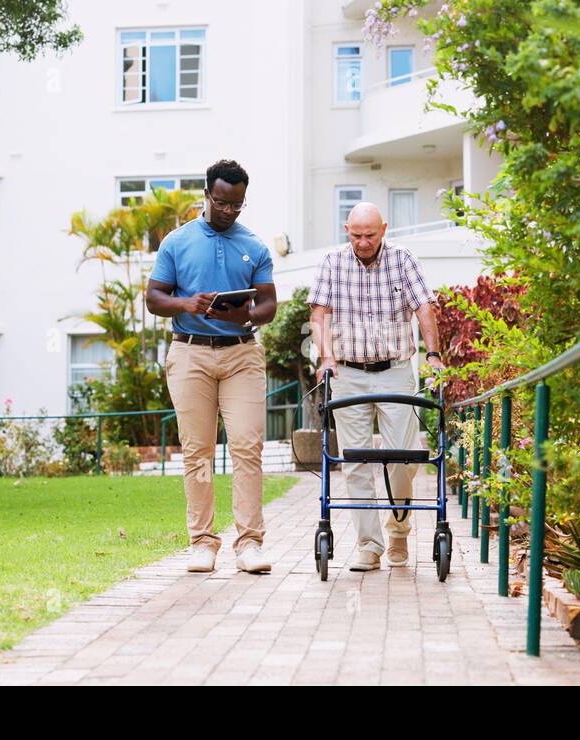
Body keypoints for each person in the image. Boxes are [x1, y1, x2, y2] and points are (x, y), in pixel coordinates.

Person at [146, 159, 277, 573]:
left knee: (247, 446)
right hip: (189, 352)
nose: (228, 212)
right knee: (197, 450)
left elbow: (269, 303)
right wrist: (186, 303)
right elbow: (153, 298)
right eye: (221, 203)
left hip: (241, 353)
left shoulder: (254, 246)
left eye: (236, 205)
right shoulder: (176, 242)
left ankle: (250, 543)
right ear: (206, 195)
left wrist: (248, 316)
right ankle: (203, 542)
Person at [307, 202, 445, 571]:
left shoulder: (404, 260)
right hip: (348, 374)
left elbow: (424, 308)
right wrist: (326, 359)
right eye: (356, 235)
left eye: (370, 235)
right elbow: (319, 315)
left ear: (384, 229)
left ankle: (398, 533)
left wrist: (432, 355)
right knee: (354, 461)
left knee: (404, 456)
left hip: (395, 370)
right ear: (345, 229)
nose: (363, 242)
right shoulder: (333, 263)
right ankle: (369, 546)